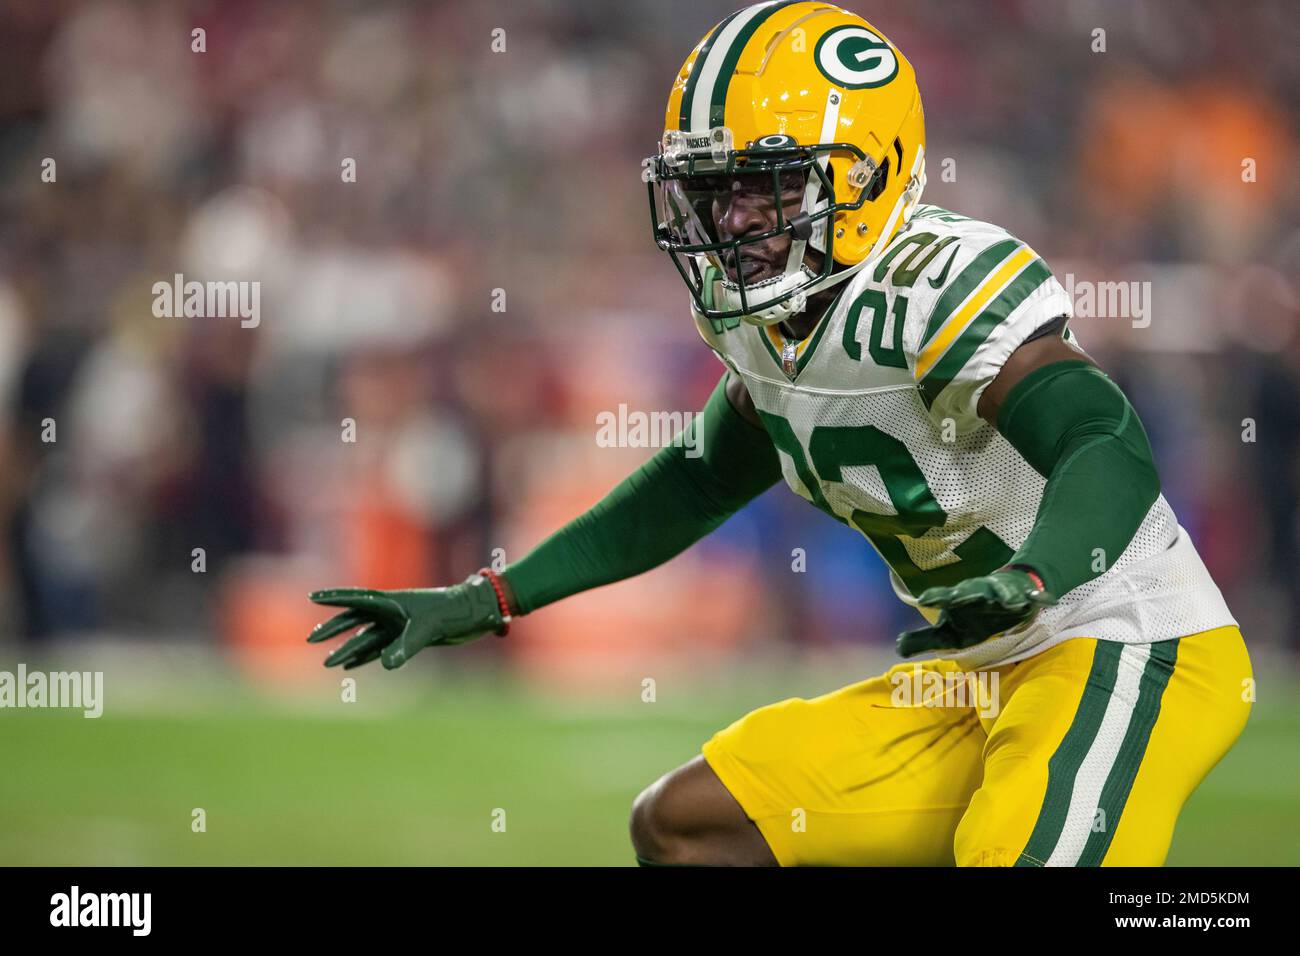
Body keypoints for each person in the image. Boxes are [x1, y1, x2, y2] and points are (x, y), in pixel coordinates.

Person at [307, 1, 1251, 867]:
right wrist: (491, 596)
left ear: (869, 170)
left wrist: (1034, 576)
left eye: (769, 185)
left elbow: (1104, 439)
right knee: (687, 830)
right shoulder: (763, 322)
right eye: (718, 189)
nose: (736, 218)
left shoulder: (934, 285)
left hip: (1123, 640)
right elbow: (697, 479)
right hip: (973, 679)